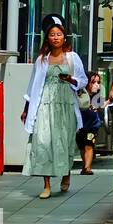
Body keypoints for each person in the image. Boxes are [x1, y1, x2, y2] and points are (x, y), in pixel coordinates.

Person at [21, 14, 86, 200]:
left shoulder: (72, 58)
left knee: (64, 142)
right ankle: (46, 184)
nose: (56, 37)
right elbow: (32, 86)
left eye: (59, 34)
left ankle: (66, 174)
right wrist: (26, 108)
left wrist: (71, 79)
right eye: (52, 34)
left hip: (65, 106)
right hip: (44, 105)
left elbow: (82, 80)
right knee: (43, 142)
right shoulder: (42, 59)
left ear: (64, 37)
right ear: (47, 38)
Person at [75, 71, 105, 176]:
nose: (96, 85)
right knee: (82, 146)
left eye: (98, 82)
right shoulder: (81, 95)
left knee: (89, 145)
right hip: (80, 125)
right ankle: (85, 165)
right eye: (93, 82)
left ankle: (88, 167)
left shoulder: (98, 97)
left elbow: (101, 107)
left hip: (93, 126)